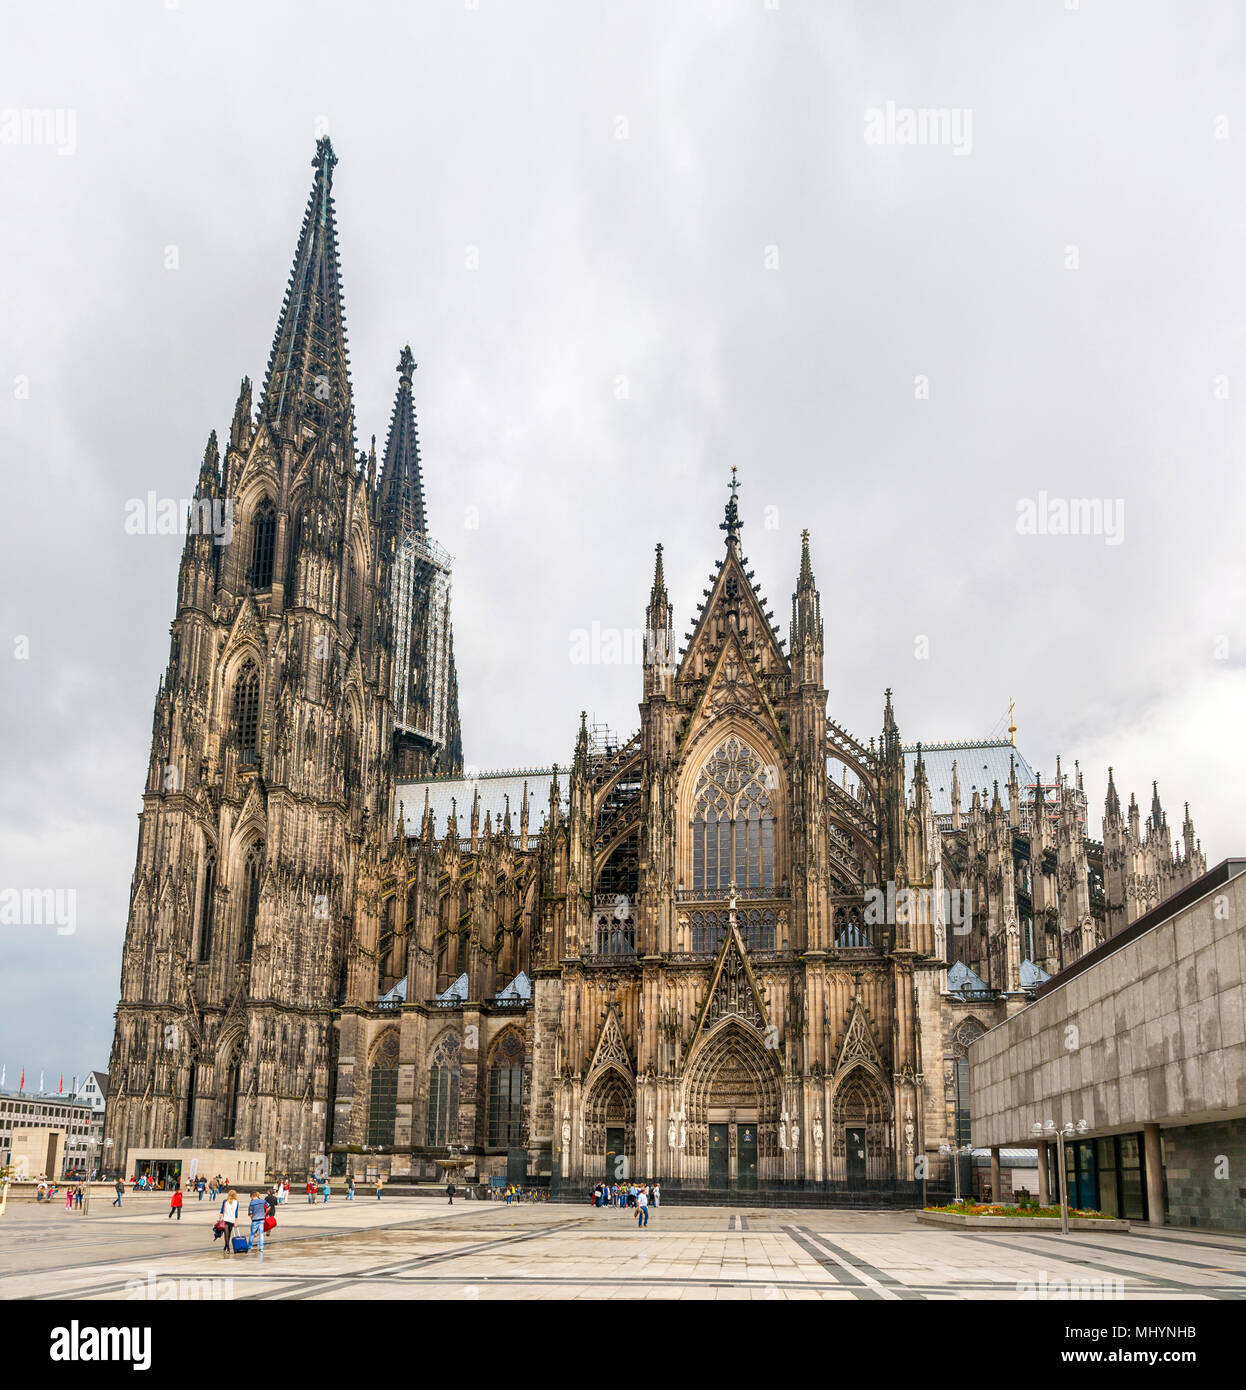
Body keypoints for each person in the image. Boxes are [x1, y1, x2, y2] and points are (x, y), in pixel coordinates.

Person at [221, 1190, 238, 1257]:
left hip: (225, 1219)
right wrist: (236, 1222)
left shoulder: (225, 1201)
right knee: (229, 1234)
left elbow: (222, 1211)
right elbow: (236, 1213)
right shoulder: (236, 1202)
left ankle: (227, 1248)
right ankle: (226, 1247)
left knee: (226, 1235)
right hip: (232, 1220)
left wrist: (219, 1219)